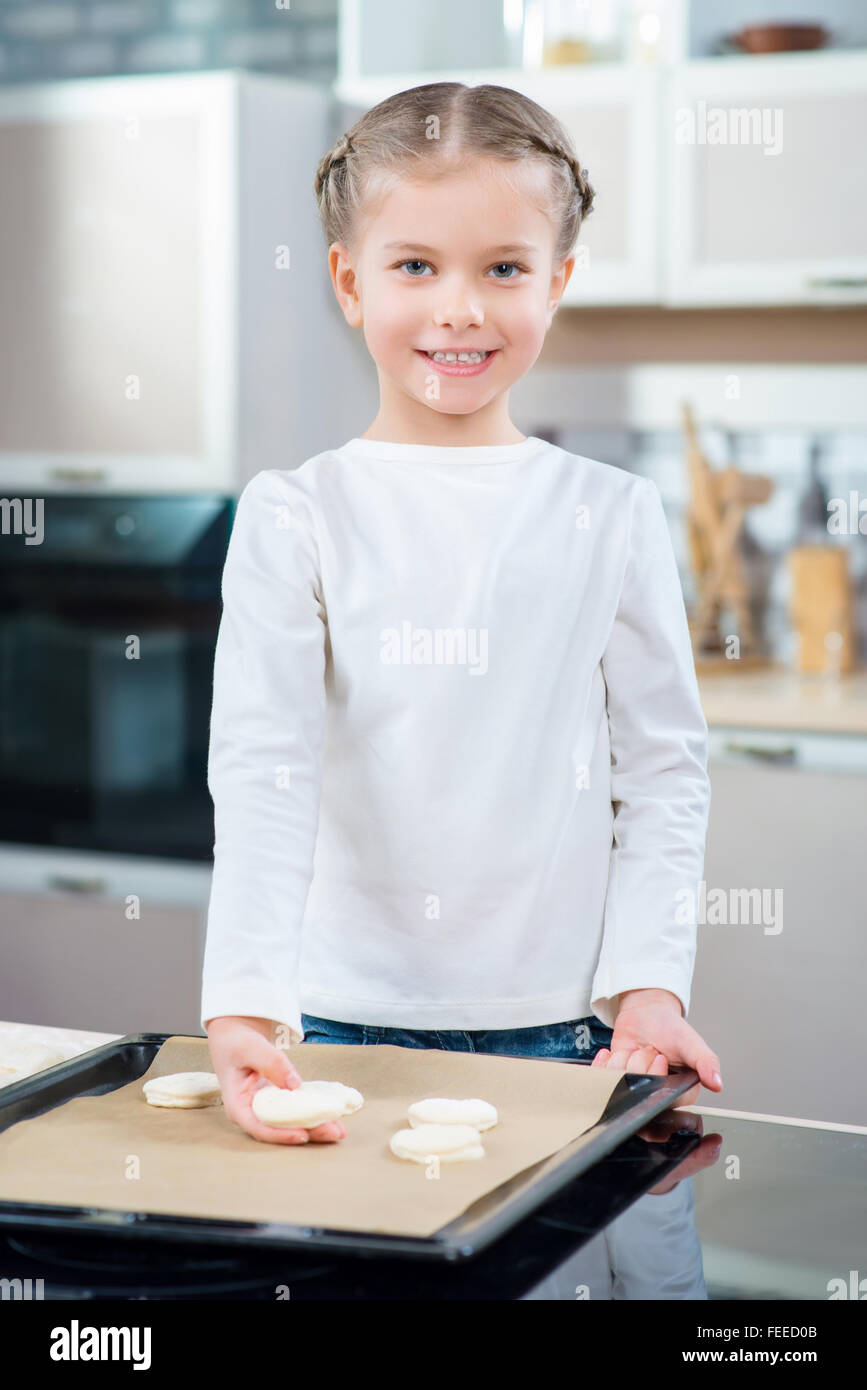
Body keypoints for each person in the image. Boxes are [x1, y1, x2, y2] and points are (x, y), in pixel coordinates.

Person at [202, 82, 722, 1147]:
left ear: (557, 282)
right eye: (415, 266)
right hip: (335, 1025)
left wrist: (650, 985)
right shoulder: (294, 515)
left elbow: (665, 770)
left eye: (503, 269)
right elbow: (265, 770)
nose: (460, 308)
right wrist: (246, 1000)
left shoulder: (610, 514)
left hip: (569, 1024)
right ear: (349, 282)